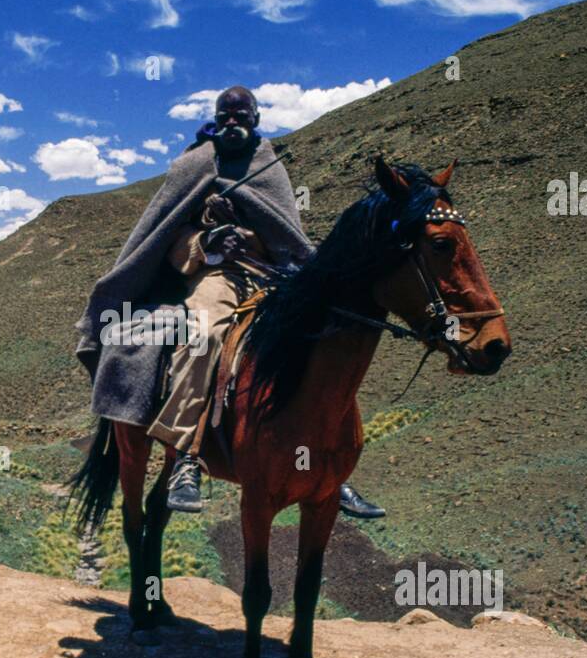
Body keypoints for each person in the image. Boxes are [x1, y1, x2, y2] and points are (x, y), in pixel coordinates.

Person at [74, 86, 385, 518]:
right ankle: (185, 454)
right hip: (215, 276)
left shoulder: (268, 165)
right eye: (226, 115)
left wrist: (253, 239)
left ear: (255, 119)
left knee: (322, 339)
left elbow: (287, 236)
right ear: (217, 119)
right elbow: (163, 237)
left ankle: (331, 470)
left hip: (271, 275)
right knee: (205, 334)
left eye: (241, 115)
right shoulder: (195, 164)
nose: (233, 122)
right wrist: (207, 240)